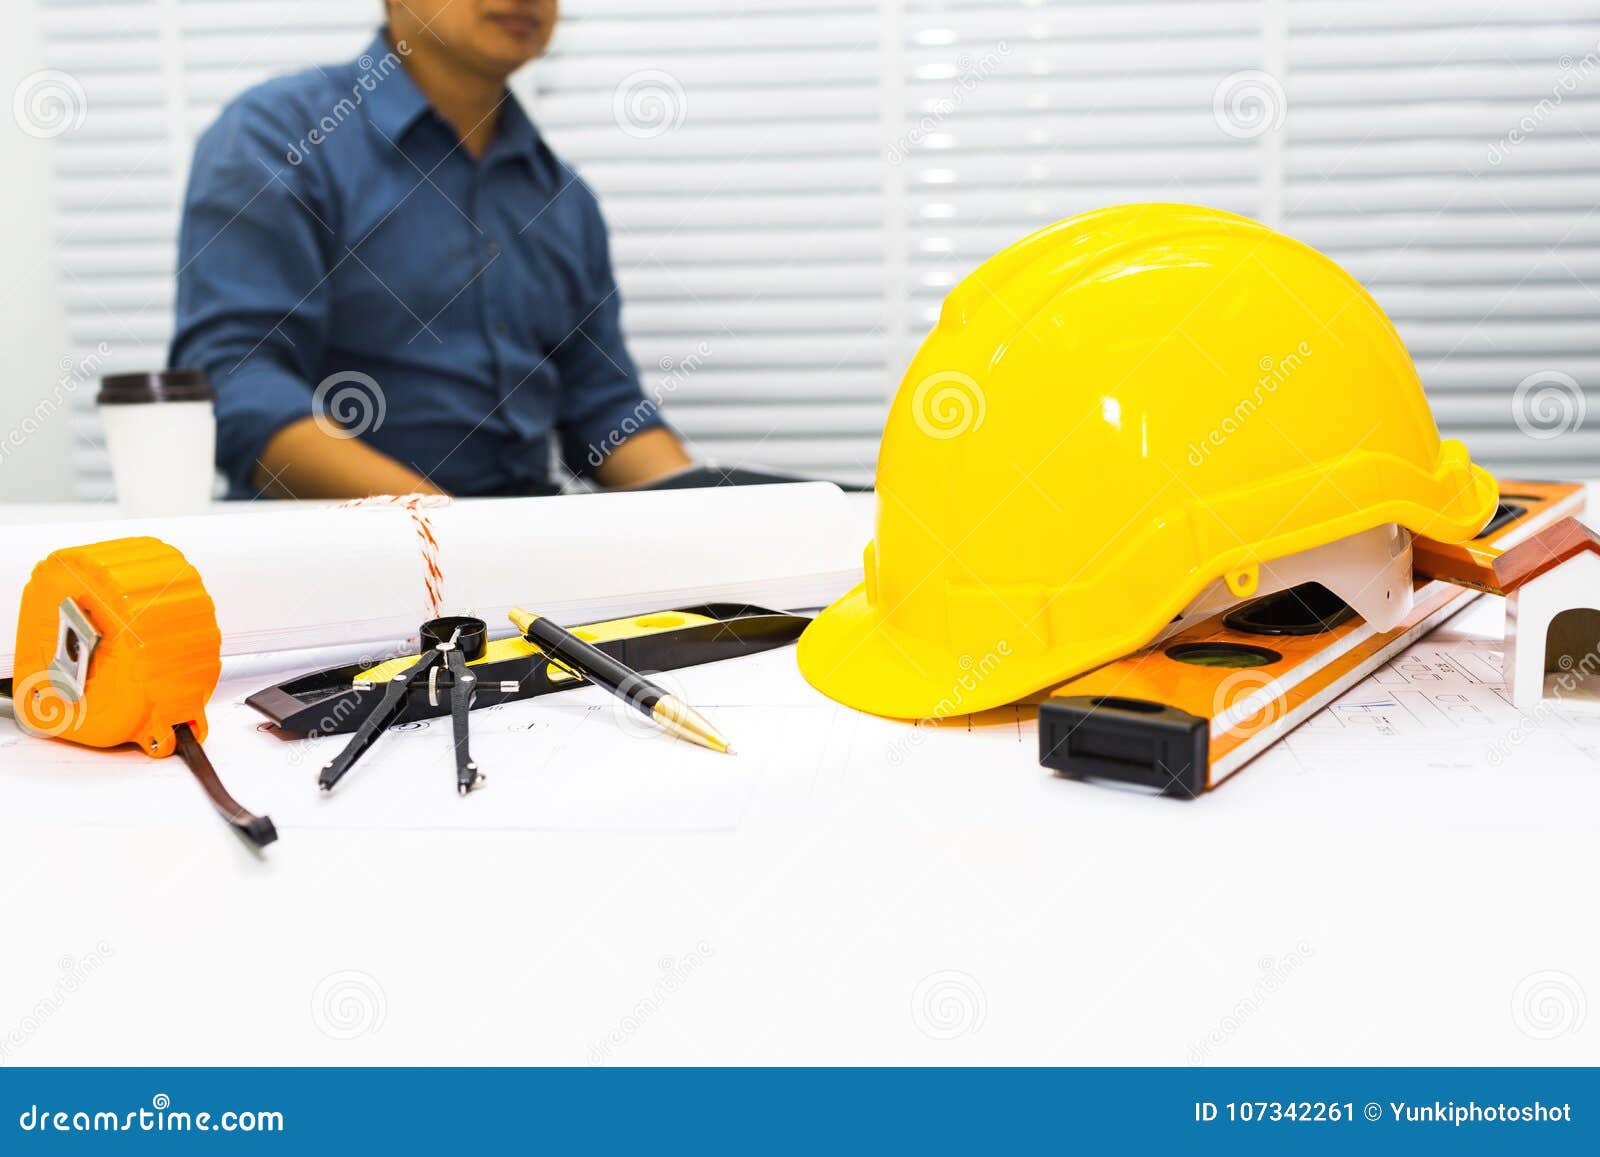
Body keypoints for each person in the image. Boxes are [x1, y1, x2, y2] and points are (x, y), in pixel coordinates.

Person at [169, 1, 692, 498]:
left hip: (521, 561)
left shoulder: (563, 197)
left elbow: (605, 408)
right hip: (336, 560)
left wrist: (712, 511)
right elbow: (237, 379)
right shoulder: (279, 135)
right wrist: (446, 533)